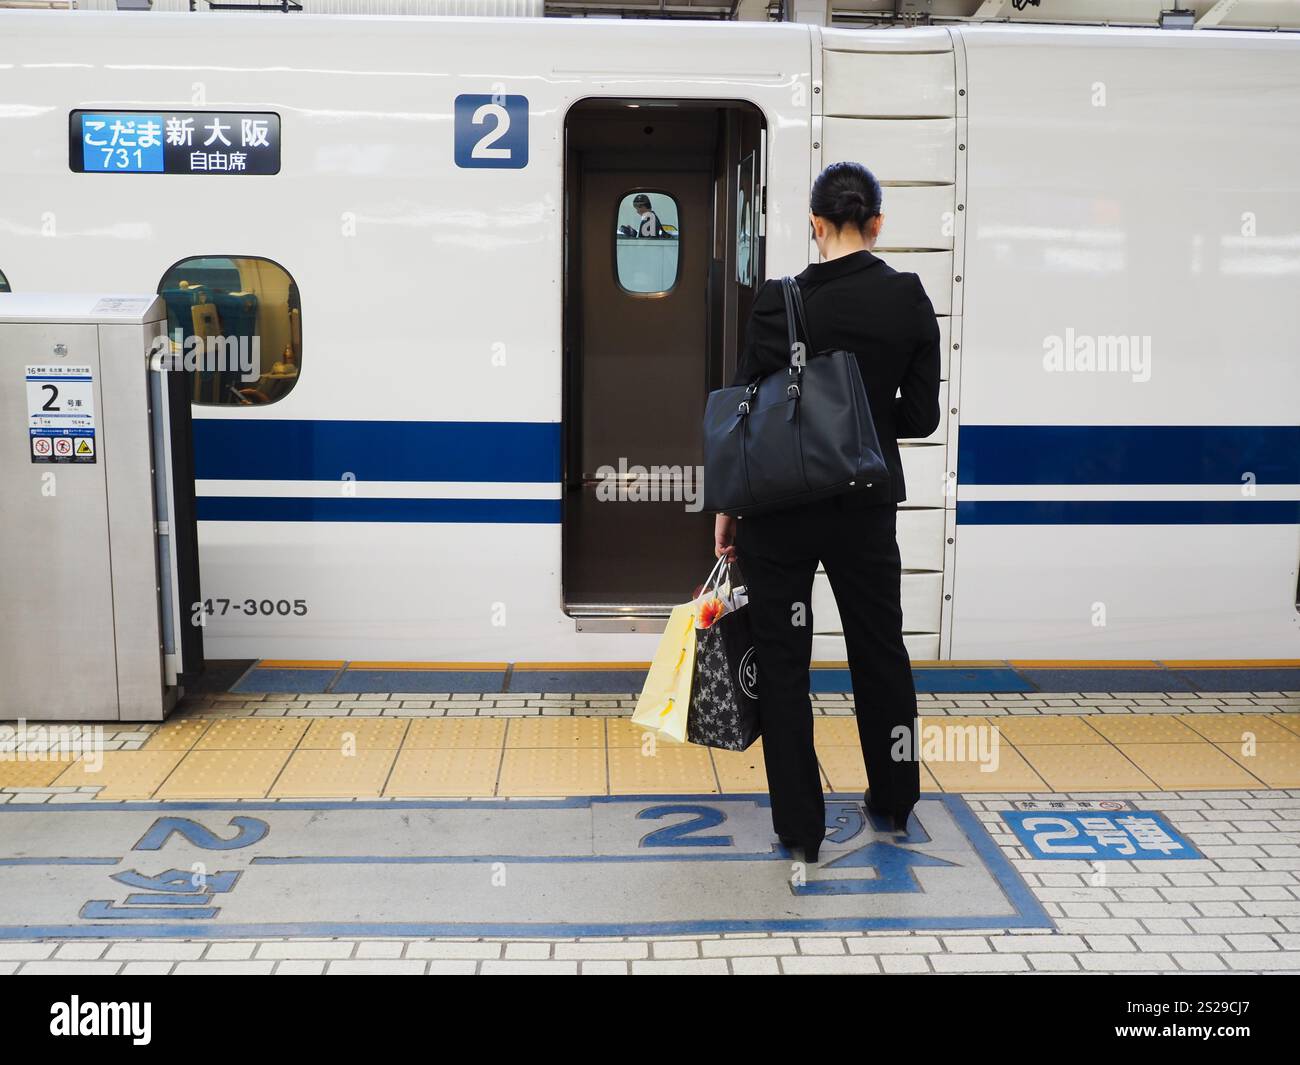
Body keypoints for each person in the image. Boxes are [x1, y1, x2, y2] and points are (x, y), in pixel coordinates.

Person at [713, 161, 942, 862]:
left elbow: (748, 414)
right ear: (876, 223)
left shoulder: (778, 302)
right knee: (880, 649)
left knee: (784, 662)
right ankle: (894, 800)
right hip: (865, 504)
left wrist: (727, 507)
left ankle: (800, 827)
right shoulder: (907, 297)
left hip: (780, 509)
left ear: (815, 226)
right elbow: (924, 414)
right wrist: (861, 422)